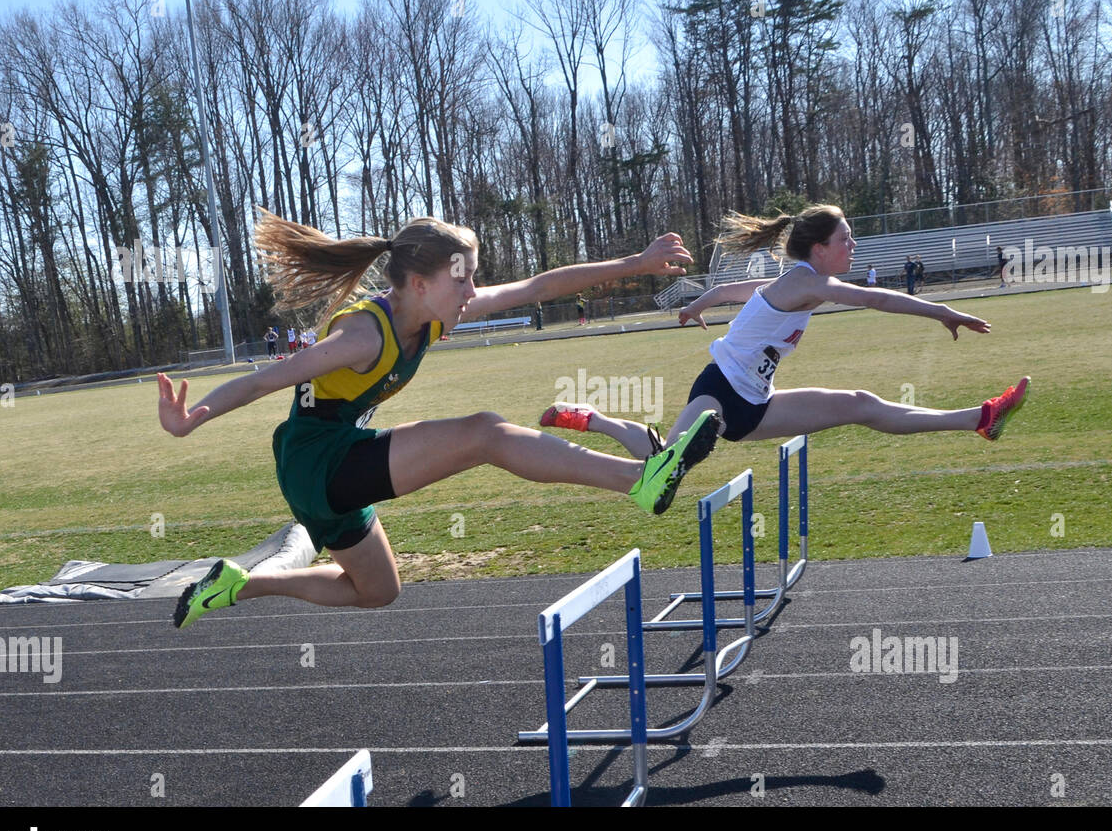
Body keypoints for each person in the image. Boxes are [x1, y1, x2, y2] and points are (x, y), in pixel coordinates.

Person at [158, 209, 719, 629]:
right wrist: (191, 420)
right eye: (464, 280)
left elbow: (541, 286)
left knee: (377, 591)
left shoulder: (427, 310)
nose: (473, 292)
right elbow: (263, 379)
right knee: (485, 433)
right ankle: (639, 481)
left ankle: (237, 585)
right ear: (421, 284)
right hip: (317, 462)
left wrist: (638, 264)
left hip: (336, 463)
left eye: (474, 278)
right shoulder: (361, 335)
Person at [541, 204, 1028, 459]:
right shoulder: (806, 281)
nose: (853, 245)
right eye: (845, 239)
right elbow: (876, 299)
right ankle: (591, 420)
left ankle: (978, 419)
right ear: (818, 249)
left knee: (861, 403)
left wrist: (700, 304)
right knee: (661, 466)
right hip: (719, 390)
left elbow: (739, 289)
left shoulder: (797, 282)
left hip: (757, 404)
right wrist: (943, 310)